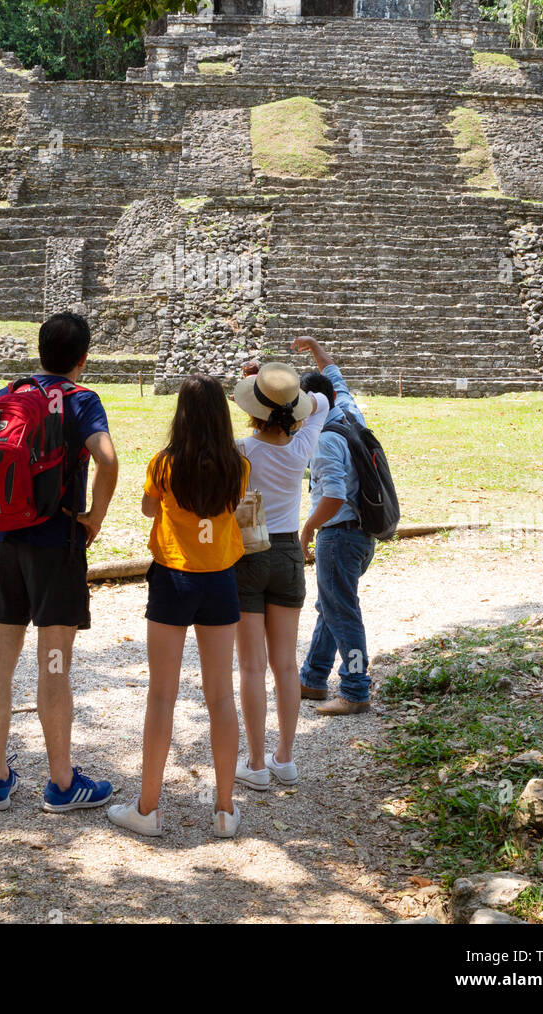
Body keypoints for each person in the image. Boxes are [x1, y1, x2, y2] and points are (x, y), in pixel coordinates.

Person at [0, 312, 119, 813]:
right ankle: (61, 783)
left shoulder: (8, 396)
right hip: (56, 546)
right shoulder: (82, 400)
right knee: (54, 662)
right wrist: (94, 517)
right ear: (83, 358)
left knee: (1, 655)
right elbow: (107, 459)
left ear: (40, 352)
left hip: (7, 543)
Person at [109, 376, 249, 839]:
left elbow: (149, 509)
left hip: (173, 578)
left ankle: (148, 809)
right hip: (221, 581)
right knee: (221, 696)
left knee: (162, 695)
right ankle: (225, 809)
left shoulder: (164, 464)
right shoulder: (238, 465)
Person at [231, 360, 329, 790]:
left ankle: (254, 763)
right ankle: (285, 759)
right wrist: (286, 394)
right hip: (289, 551)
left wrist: (255, 380)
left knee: (251, 667)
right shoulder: (301, 446)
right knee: (285, 664)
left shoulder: (240, 450)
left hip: (248, 553)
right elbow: (323, 400)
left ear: (252, 410)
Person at [295, 335, 376, 716]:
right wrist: (315, 348)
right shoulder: (348, 410)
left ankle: (356, 688)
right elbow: (336, 376)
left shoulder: (325, 441)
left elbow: (334, 497)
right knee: (332, 606)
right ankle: (312, 678)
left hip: (339, 536)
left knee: (343, 613)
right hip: (362, 534)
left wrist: (308, 528)